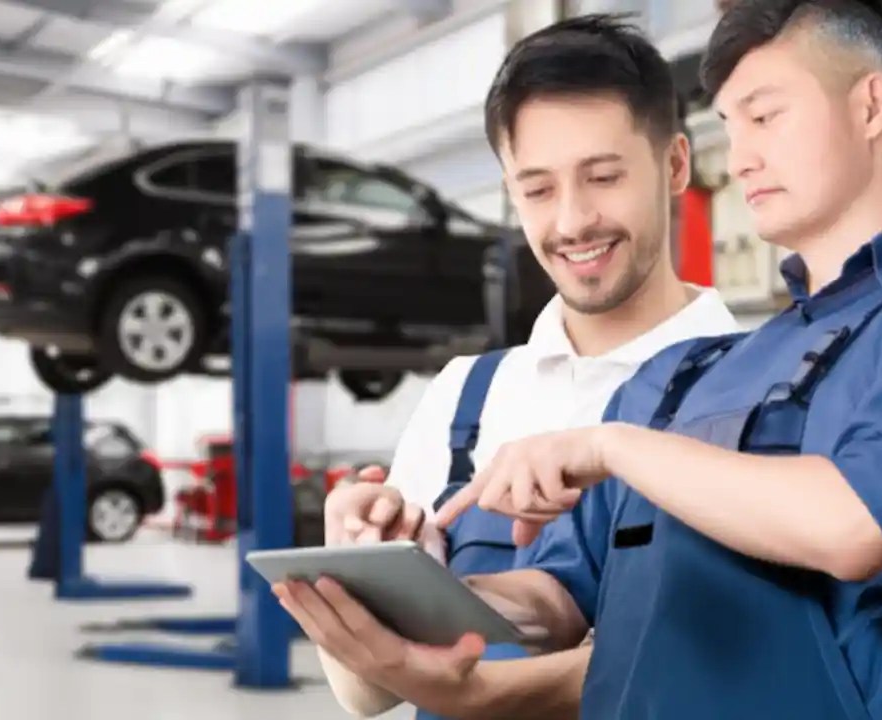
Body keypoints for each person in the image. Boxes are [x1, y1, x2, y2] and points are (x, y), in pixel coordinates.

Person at [280, 1, 882, 718]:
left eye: (766, 115)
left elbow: (852, 528)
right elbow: (555, 599)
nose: (743, 155)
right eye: (731, 123)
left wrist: (609, 447)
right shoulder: (690, 375)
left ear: (872, 104)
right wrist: (407, 584)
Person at [298, 14, 740, 719]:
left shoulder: (756, 389)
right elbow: (369, 696)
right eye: (536, 190)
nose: (571, 222)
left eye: (602, 176)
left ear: (675, 164)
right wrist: (357, 563)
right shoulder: (466, 395)